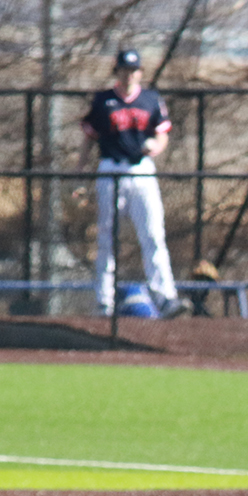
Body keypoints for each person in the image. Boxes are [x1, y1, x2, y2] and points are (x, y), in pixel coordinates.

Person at [82, 49, 187, 319]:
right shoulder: (103, 100)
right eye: (124, 69)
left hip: (141, 171)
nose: (129, 74)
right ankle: (104, 301)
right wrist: (82, 176)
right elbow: (89, 139)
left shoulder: (151, 99)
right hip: (110, 169)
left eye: (133, 70)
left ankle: (165, 298)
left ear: (140, 72)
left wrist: (156, 146)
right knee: (106, 239)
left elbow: (162, 135)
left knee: (152, 234)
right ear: (116, 71)